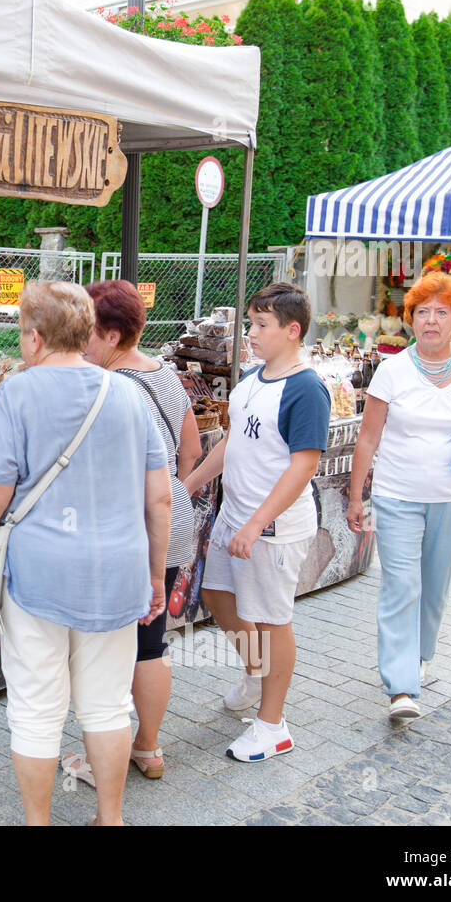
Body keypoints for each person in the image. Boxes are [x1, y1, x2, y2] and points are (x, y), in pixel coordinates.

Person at [0, 281, 172, 826]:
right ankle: (109, 819)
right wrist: (154, 577)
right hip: (116, 575)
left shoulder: (20, 393)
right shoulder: (130, 394)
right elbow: (159, 497)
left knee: (37, 712)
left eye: (21, 334)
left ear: (35, 338)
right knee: (108, 706)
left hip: (38, 581)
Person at [182, 283, 330, 763]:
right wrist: (192, 483)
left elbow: (303, 466)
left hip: (274, 528)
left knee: (271, 620)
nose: (251, 332)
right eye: (251, 322)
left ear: (292, 330)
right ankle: (254, 672)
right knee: (218, 597)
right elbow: (233, 443)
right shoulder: (251, 377)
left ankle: (273, 725)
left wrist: (257, 522)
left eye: (261, 324)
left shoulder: (306, 389)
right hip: (235, 517)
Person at [346, 270, 451, 720]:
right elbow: (368, 439)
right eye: (422, 312)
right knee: (401, 585)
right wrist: (357, 497)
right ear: (410, 319)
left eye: (441, 312)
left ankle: (415, 657)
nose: (430, 320)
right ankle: (400, 686)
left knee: (434, 590)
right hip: (397, 496)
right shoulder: (392, 370)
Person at [60, 280, 198, 785]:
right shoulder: (164, 373)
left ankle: (104, 761)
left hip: (135, 528)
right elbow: (190, 449)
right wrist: (174, 494)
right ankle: (148, 747)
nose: (80, 345)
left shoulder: (110, 389)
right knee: (151, 641)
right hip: (173, 521)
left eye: (88, 334)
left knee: (112, 650)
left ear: (114, 336)